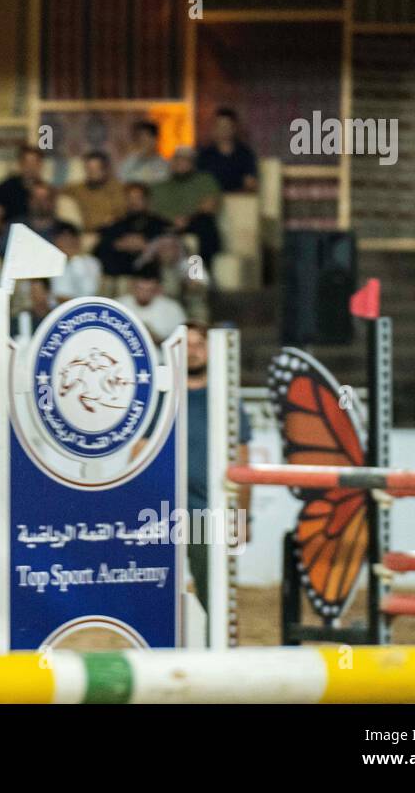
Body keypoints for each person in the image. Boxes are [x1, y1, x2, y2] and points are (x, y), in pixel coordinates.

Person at [183, 321, 250, 616]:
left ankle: (215, 656)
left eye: (198, 345)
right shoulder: (160, 396)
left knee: (213, 594)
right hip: (160, 512)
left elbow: (243, 463)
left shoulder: (227, 399)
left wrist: (242, 517)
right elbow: (138, 452)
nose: (192, 352)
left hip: (208, 513)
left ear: (210, 351)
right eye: (185, 345)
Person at [150, 146, 221, 269]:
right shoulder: (159, 186)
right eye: (176, 159)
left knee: (205, 224)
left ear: (193, 163)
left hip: (194, 222)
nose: (180, 163)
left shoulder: (204, 180)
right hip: (166, 223)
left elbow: (209, 205)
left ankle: (199, 274)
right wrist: (173, 220)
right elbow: (151, 208)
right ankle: (151, 278)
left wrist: (186, 219)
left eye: (185, 160)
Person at [93, 182, 172, 278]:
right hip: (120, 268)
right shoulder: (117, 223)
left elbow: (168, 240)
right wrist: (118, 244)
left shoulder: (158, 223)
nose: (133, 202)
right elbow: (100, 247)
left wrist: (146, 245)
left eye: (138, 198)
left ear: (147, 200)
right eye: (129, 198)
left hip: (149, 271)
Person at [115, 262, 186, 343]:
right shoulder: (119, 306)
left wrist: (158, 340)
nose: (144, 294)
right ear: (132, 285)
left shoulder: (172, 309)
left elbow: (183, 340)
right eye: (140, 289)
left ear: (158, 289)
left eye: (149, 290)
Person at [196, 107, 258, 193]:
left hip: (238, 201)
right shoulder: (204, 155)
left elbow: (250, 184)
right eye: (219, 126)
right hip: (210, 202)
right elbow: (198, 184)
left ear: (234, 128)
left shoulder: (245, 154)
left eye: (227, 126)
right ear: (214, 129)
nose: (224, 130)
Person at [61, 151, 125, 232]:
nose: (91, 173)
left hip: (114, 229)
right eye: (89, 169)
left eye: (96, 169)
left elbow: (122, 212)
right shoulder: (78, 188)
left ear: (105, 169)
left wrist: (113, 219)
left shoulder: (117, 187)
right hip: (91, 230)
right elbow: (58, 192)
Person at [0, 147, 44, 230]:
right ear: (20, 164)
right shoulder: (5, 187)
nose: (30, 167)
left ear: (40, 165)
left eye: (34, 163)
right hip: (8, 233)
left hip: (38, 234)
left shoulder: (45, 190)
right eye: (27, 163)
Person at [48, 222, 101, 303]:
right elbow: (58, 296)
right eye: (63, 239)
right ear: (55, 241)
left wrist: (74, 260)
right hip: (54, 311)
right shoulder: (48, 263)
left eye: (71, 239)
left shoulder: (92, 262)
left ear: (78, 240)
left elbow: (90, 290)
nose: (67, 243)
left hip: (84, 308)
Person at [118, 120, 170, 186]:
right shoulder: (129, 161)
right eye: (140, 137)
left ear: (156, 139)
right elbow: (121, 180)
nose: (144, 141)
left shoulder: (164, 164)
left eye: (147, 137)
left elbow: (164, 183)